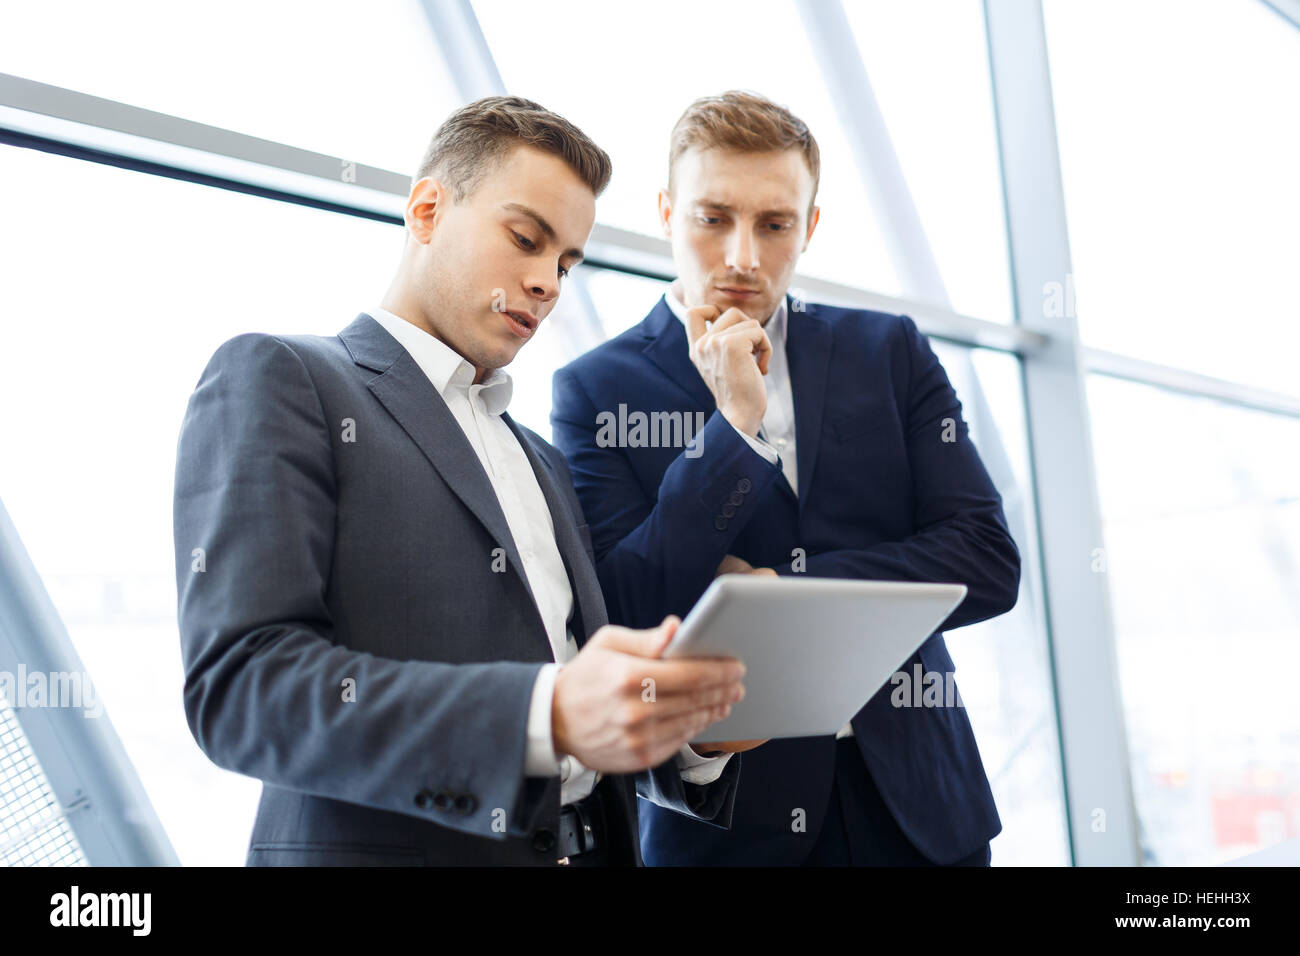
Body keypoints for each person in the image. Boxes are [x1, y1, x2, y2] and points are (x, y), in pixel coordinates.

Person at [172, 95, 746, 867]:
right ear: (427, 208)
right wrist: (544, 715)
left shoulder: (540, 459)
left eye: (566, 263)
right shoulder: (285, 379)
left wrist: (695, 739)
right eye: (525, 238)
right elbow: (242, 690)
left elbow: (580, 719)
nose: (546, 281)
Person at [551, 91, 1020, 866]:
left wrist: (777, 592)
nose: (742, 255)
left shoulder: (889, 352)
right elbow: (623, 610)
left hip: (921, 810)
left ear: (809, 227)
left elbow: (984, 560)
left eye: (774, 224)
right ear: (667, 212)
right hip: (729, 829)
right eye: (712, 218)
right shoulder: (595, 391)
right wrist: (733, 431)